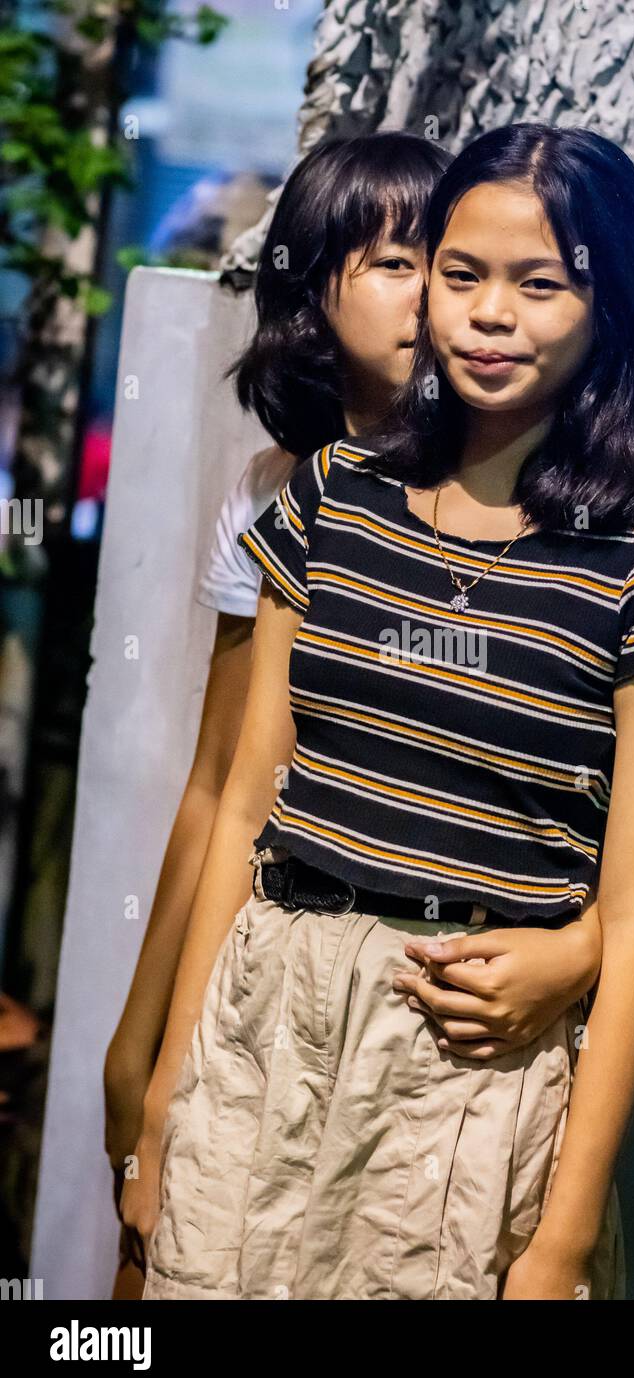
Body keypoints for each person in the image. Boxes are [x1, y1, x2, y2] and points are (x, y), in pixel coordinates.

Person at [133, 121, 634, 1301]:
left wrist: (558, 1244)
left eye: (539, 283)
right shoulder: (333, 496)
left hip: (465, 1078)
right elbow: (252, 801)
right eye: (461, 275)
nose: (488, 313)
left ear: (611, 305)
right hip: (263, 1032)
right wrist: (164, 1096)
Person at [104, 130, 454, 1295]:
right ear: (314, 289)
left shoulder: (492, 501)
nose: (430, 297)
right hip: (256, 959)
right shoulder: (273, 494)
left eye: (441, 262)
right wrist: (140, 1037)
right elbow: (220, 785)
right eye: (393, 262)